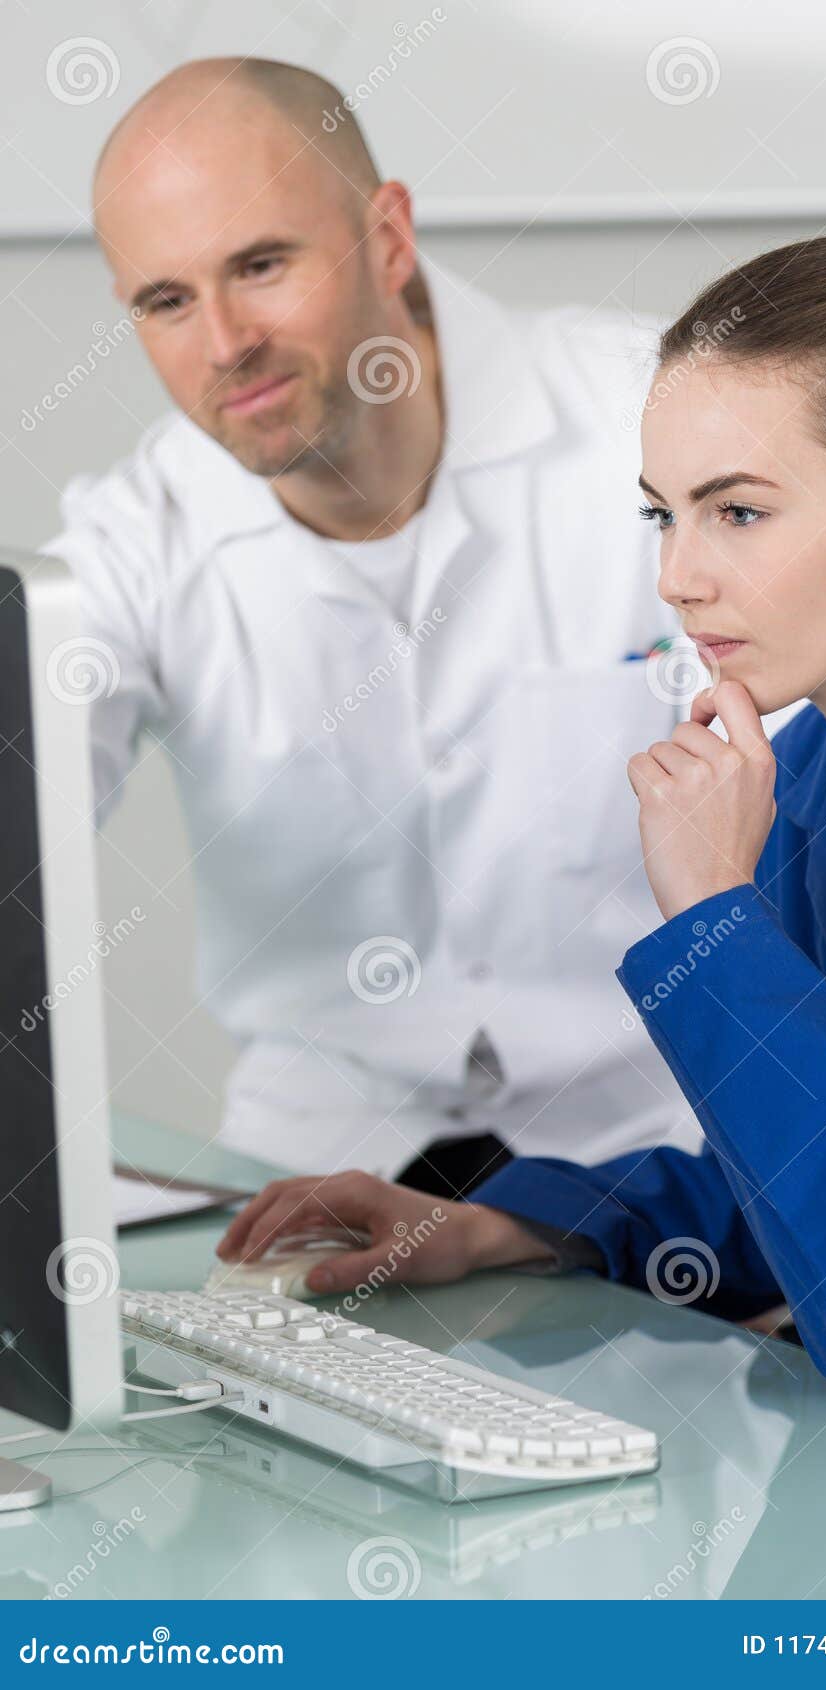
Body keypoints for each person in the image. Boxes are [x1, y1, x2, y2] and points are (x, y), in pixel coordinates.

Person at [220, 233, 826, 1439]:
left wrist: (714, 917)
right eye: (660, 513)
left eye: (737, 511)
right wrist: (517, 1221)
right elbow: (816, 1181)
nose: (675, 574)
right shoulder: (815, 778)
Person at [45, 56, 767, 1190]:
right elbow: (28, 781)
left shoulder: (657, 422)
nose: (226, 341)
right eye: (167, 301)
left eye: (263, 264)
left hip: (668, 1156)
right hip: (312, 1166)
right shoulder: (138, 539)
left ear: (387, 236)